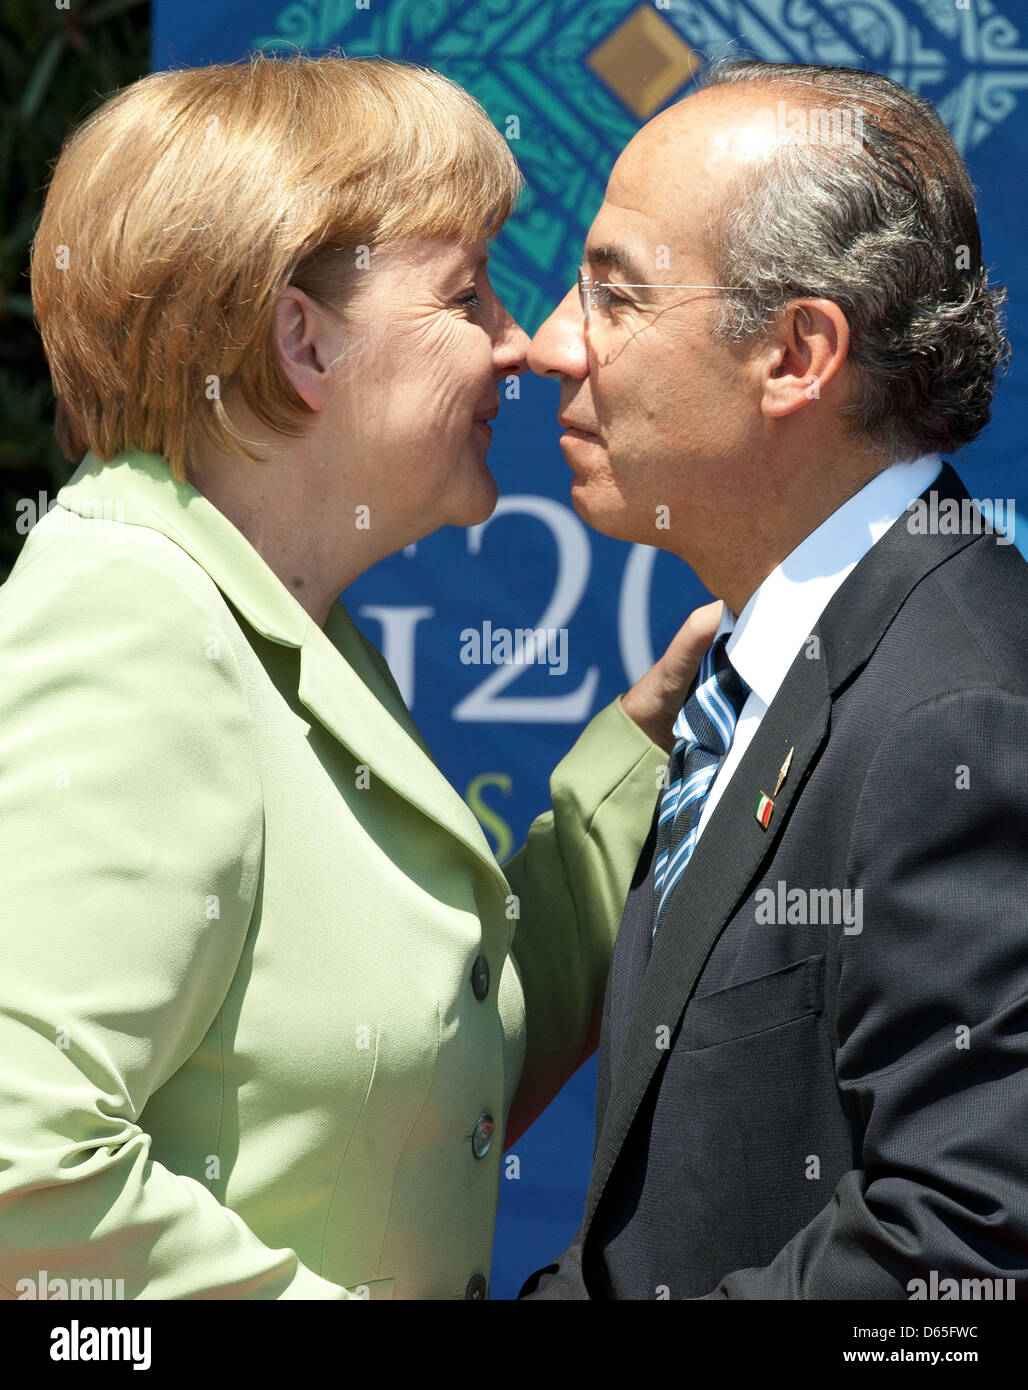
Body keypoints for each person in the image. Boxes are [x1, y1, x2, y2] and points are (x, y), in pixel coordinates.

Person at [0, 52, 716, 1301]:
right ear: (300, 343)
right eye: (467, 294)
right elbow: (24, 1174)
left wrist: (649, 741)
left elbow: (450, 1057)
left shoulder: (287, 626)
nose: (519, 347)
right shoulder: (133, 616)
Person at [520, 59, 1028, 1299]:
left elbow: (964, 1252)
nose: (546, 346)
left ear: (797, 353)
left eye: (613, 296)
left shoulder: (957, 715)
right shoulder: (764, 672)